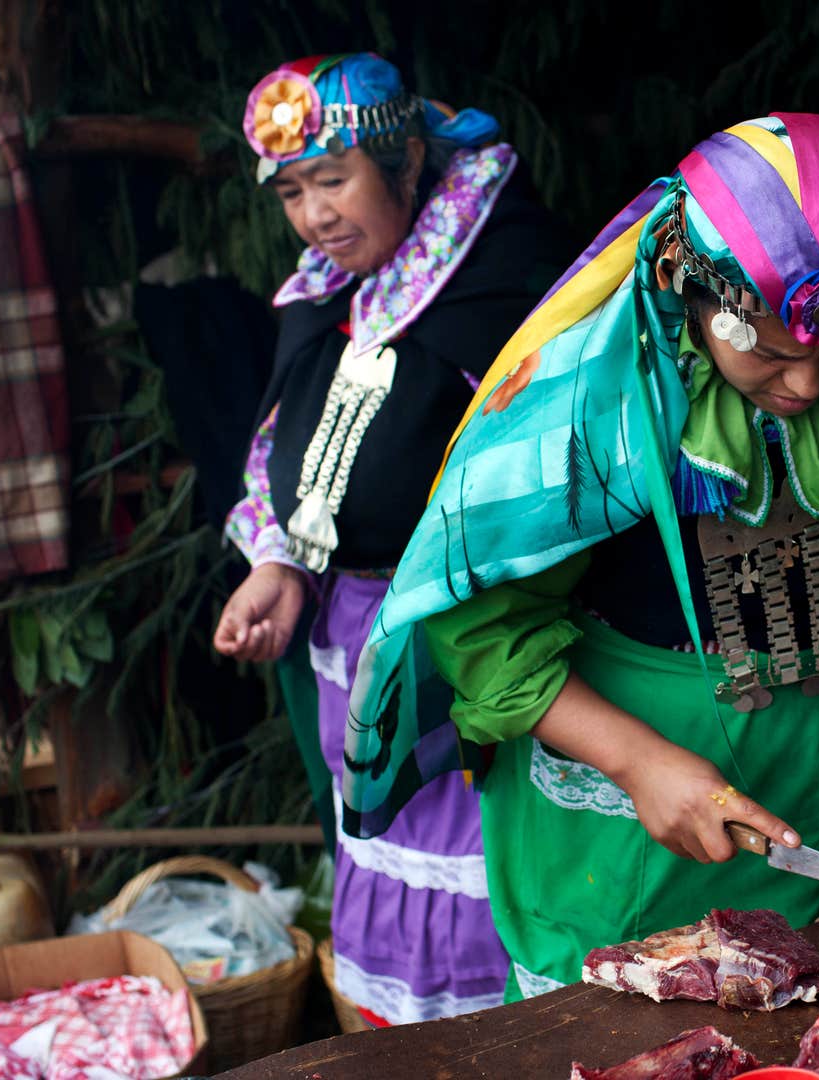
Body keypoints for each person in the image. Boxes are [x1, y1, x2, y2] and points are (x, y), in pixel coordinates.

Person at [337, 114, 819, 999]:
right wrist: (636, 762)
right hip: (624, 780)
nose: (804, 385)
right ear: (690, 291)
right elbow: (481, 616)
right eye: (774, 357)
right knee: (625, 1030)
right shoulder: (587, 380)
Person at [211, 53, 570, 1024]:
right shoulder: (325, 296)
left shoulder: (504, 295)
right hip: (349, 655)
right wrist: (279, 563)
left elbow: (545, 490)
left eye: (333, 180)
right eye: (291, 190)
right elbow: (284, 454)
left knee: (474, 886)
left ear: (408, 164)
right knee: (384, 854)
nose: (314, 213)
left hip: (470, 658)